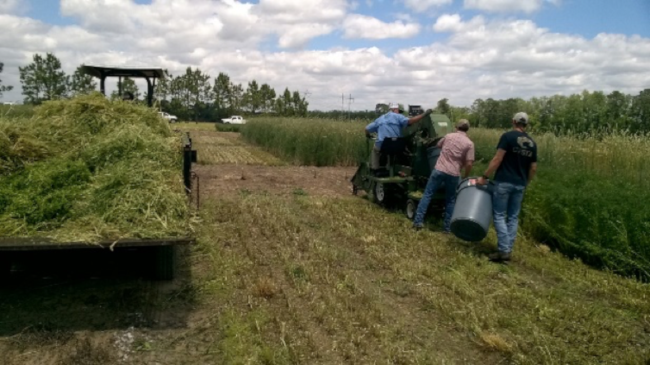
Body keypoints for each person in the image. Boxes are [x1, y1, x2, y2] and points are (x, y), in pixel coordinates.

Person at [477, 112, 538, 262]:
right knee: (513, 217)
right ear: (526, 125)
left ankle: (503, 250)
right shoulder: (532, 143)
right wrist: (526, 183)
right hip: (520, 184)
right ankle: (508, 249)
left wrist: (484, 176)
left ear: (514, 121)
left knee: (499, 215)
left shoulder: (508, 137)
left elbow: (498, 159)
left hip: (504, 181)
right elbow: (533, 168)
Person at [412, 119, 475, 233]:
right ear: (467, 129)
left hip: (439, 169)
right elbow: (469, 163)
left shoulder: (448, 136)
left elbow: (438, 145)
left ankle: (418, 222)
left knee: (427, 194)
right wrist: (466, 176)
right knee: (450, 200)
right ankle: (446, 228)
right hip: (454, 173)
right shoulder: (469, 143)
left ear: (456, 127)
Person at [365, 103, 431, 171]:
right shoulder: (399, 117)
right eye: (398, 110)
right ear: (395, 109)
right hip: (398, 145)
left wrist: (368, 135)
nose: (399, 112)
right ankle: (388, 168)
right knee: (391, 150)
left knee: (375, 150)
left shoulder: (380, 119)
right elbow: (410, 121)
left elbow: (367, 129)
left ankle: (375, 168)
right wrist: (424, 114)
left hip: (383, 145)